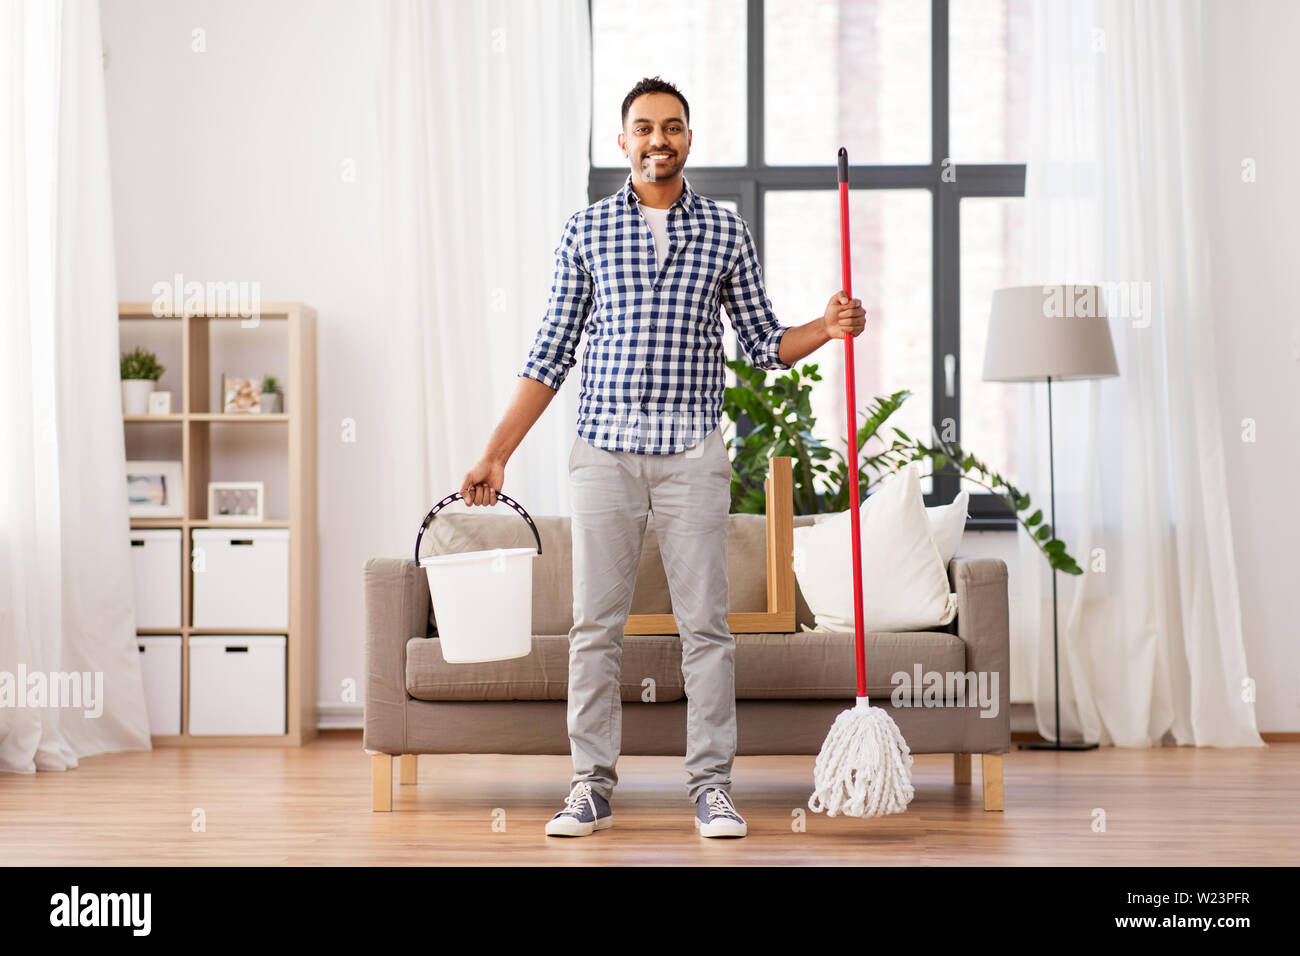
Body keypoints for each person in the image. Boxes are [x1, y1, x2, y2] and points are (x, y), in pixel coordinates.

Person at [460, 76, 865, 838]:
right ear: (622, 142)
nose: (658, 139)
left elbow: (766, 344)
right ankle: (590, 786)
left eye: (671, 127)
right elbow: (549, 355)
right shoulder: (585, 232)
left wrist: (829, 325)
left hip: (692, 454)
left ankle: (712, 788)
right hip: (604, 452)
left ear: (688, 139)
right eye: (643, 128)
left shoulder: (723, 230)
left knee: (705, 628)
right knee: (595, 629)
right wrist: (495, 455)